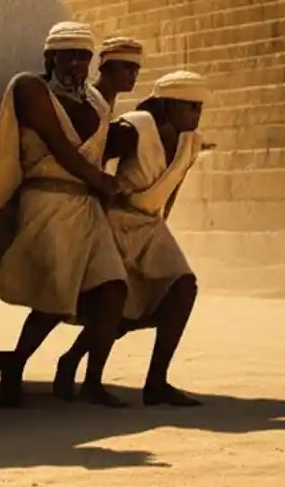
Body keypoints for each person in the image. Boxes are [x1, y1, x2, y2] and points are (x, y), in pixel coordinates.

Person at [0, 21, 129, 408]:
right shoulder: (30, 88)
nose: (77, 64)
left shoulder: (96, 103)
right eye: (69, 55)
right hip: (48, 202)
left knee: (114, 290)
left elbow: (99, 149)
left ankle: (87, 377)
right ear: (50, 57)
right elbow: (59, 146)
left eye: (84, 56)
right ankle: (15, 367)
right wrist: (101, 180)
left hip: (87, 206)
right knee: (53, 296)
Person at [53, 70, 209, 407]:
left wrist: (162, 221)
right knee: (114, 304)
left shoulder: (190, 141)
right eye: (188, 106)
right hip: (116, 221)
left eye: (199, 107)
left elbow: (173, 184)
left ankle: (156, 383)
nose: (195, 114)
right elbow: (93, 158)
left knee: (183, 287)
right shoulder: (133, 129)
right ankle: (84, 374)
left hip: (150, 226)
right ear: (167, 106)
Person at [95, 37, 143, 112]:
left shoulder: (112, 106)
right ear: (106, 68)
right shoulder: (87, 103)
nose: (133, 74)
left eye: (136, 69)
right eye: (128, 67)